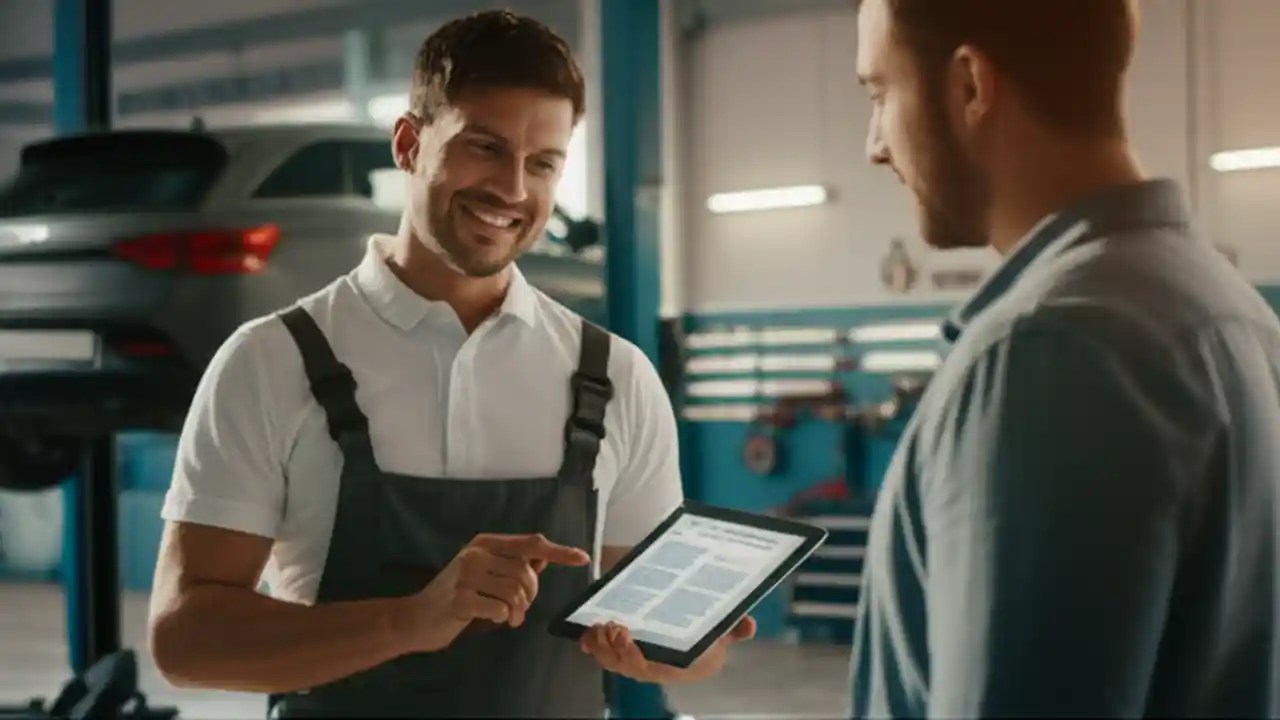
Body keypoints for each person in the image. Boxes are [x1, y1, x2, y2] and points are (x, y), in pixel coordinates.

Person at [146, 11, 752, 718]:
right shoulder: (271, 361)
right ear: (409, 144)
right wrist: (407, 622)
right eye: (484, 147)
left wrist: (683, 648)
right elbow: (185, 640)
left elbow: (687, 648)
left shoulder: (616, 377)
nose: (513, 189)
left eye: (543, 163)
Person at [849, 0, 1280, 717]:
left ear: (969, 85)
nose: (876, 144)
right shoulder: (1234, 315)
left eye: (880, 93)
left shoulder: (1046, 353)